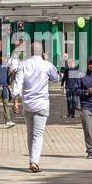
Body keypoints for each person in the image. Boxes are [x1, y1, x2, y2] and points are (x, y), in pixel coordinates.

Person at [11, 42, 60, 173]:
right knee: (38, 134)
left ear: (30, 52)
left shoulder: (23, 64)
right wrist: (48, 61)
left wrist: (15, 102)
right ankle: (34, 162)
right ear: (42, 52)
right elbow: (56, 79)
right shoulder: (47, 65)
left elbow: (17, 84)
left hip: (27, 105)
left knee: (30, 134)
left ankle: (32, 160)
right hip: (42, 105)